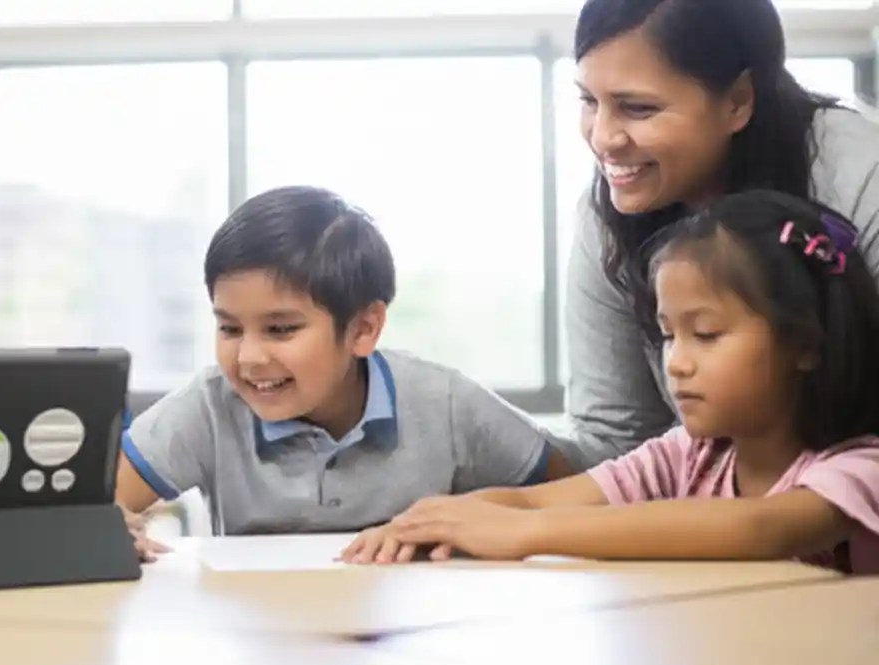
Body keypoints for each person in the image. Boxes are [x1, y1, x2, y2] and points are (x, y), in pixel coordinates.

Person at [344, 191, 879, 574]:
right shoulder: (688, 454)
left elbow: (760, 529)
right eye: (670, 335)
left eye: (707, 334)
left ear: (805, 345)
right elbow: (537, 503)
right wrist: (435, 520)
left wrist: (523, 536)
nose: (677, 363)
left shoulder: (859, 469)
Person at [117, 186, 569, 558]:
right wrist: (108, 528)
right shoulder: (209, 406)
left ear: (364, 328)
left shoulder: (448, 404)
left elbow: (580, 494)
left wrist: (476, 518)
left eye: (281, 329)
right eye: (229, 328)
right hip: (264, 639)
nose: (249, 356)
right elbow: (95, 507)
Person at [561, 0, 879, 470]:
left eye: (638, 108)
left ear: (737, 101)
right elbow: (615, 448)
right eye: (589, 100)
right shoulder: (606, 217)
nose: (603, 138)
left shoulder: (860, 178)